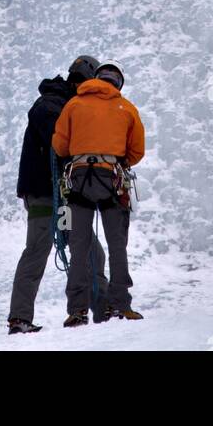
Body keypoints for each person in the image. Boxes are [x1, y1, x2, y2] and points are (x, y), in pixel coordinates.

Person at [7, 55, 109, 334]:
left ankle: (101, 310)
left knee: (90, 251)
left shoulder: (66, 105)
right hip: (44, 195)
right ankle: (19, 318)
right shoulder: (51, 103)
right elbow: (60, 136)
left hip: (60, 197)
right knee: (38, 250)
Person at [51, 60, 145, 326]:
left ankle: (77, 310)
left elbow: (59, 145)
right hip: (112, 179)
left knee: (78, 247)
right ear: (117, 83)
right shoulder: (126, 108)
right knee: (117, 245)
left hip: (78, 179)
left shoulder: (73, 104)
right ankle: (120, 305)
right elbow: (136, 152)